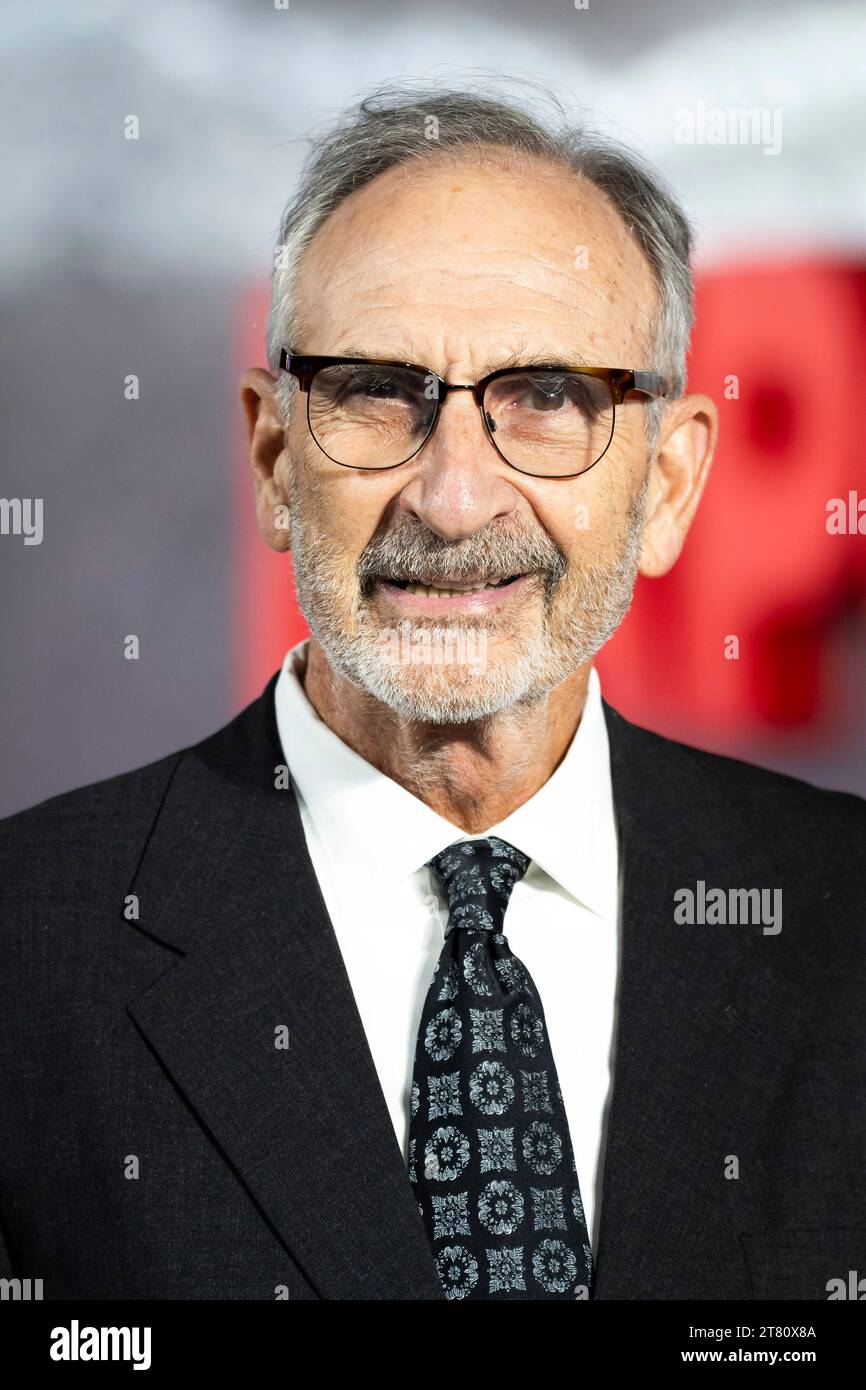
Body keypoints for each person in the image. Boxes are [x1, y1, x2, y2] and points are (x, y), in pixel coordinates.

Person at [1, 85, 864, 1302]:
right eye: (373, 391)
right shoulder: (26, 948)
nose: (454, 498)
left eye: (550, 397)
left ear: (667, 485)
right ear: (271, 457)